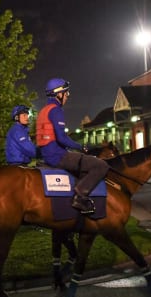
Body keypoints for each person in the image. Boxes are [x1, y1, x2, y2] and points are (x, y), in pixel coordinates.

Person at [37, 78, 109, 214]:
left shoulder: (44, 110)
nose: (67, 96)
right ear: (58, 94)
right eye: (66, 93)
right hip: (57, 156)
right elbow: (62, 138)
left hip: (48, 154)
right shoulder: (56, 110)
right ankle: (80, 197)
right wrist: (81, 147)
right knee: (101, 165)